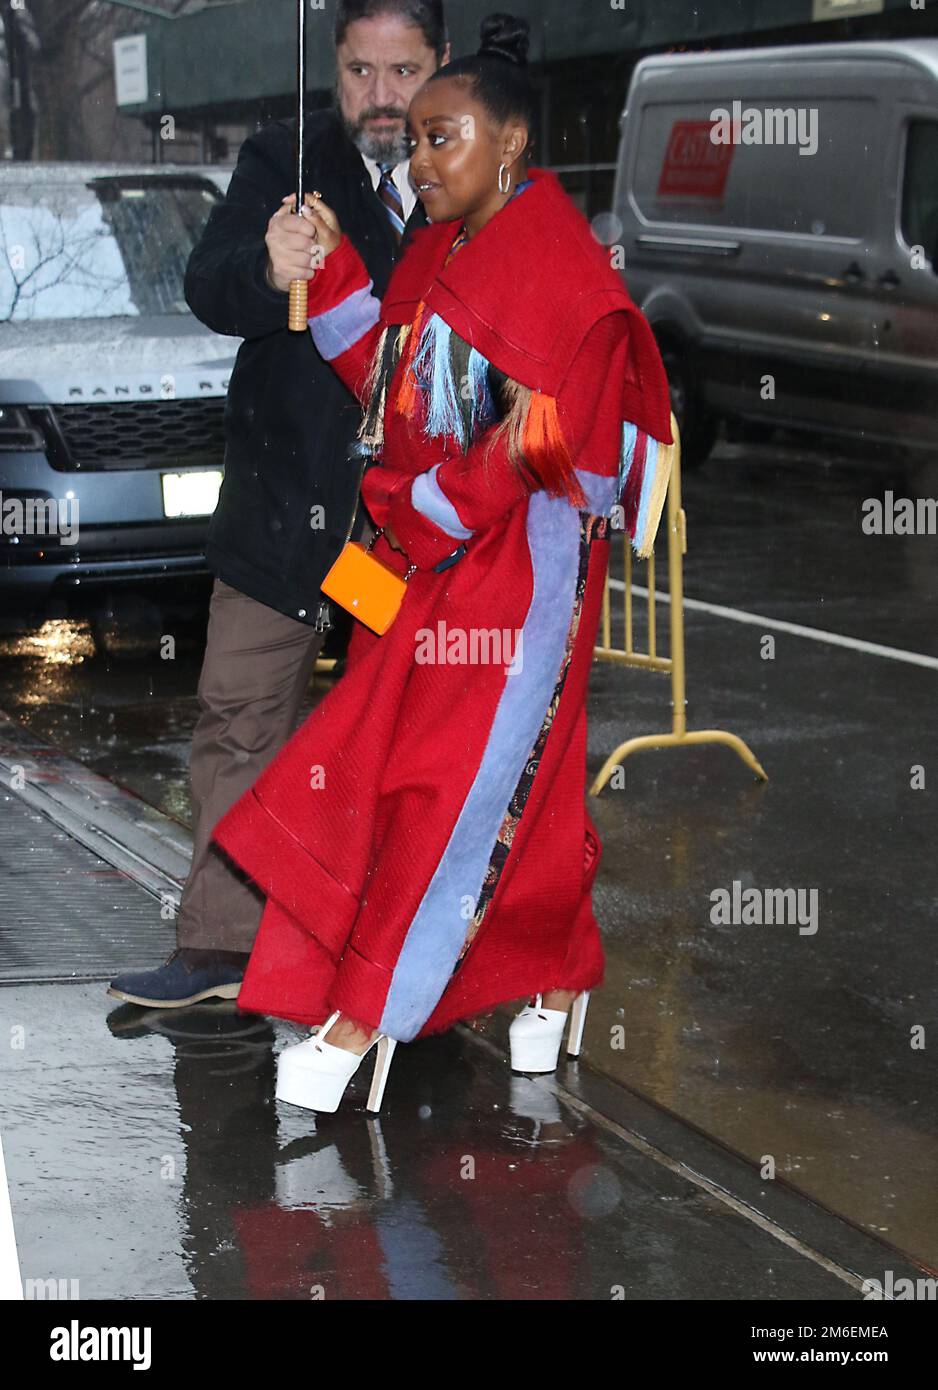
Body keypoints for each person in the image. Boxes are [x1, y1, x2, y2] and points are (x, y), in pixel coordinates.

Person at [211, 12, 675, 1114]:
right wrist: (328, 287)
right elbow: (397, 391)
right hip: (428, 564)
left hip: (516, 573)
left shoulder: (564, 269)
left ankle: (361, 1010)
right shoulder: (435, 248)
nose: (418, 162)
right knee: (503, 782)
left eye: (443, 137)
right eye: (414, 141)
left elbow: (554, 439)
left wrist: (423, 505)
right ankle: (557, 975)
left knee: (444, 783)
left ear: (507, 143)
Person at [107, 0, 449, 1010]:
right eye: (357, 71)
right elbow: (207, 287)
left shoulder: (465, 171)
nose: (379, 98)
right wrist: (267, 267)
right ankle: (219, 949)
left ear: (438, 64)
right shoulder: (280, 160)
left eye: (401, 71)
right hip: (281, 507)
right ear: (331, 67)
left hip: (412, 524)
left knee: (409, 739)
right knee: (240, 719)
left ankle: (395, 960)